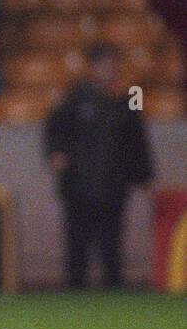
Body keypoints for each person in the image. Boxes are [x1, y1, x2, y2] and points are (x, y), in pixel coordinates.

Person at [43, 44, 154, 288]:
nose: (110, 69)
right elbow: (55, 130)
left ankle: (114, 294)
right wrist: (56, 154)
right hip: (78, 186)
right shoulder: (75, 99)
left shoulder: (126, 103)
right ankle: (75, 293)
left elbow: (137, 142)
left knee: (111, 245)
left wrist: (144, 176)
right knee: (77, 245)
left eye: (113, 64)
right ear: (92, 68)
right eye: (104, 64)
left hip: (113, 187)